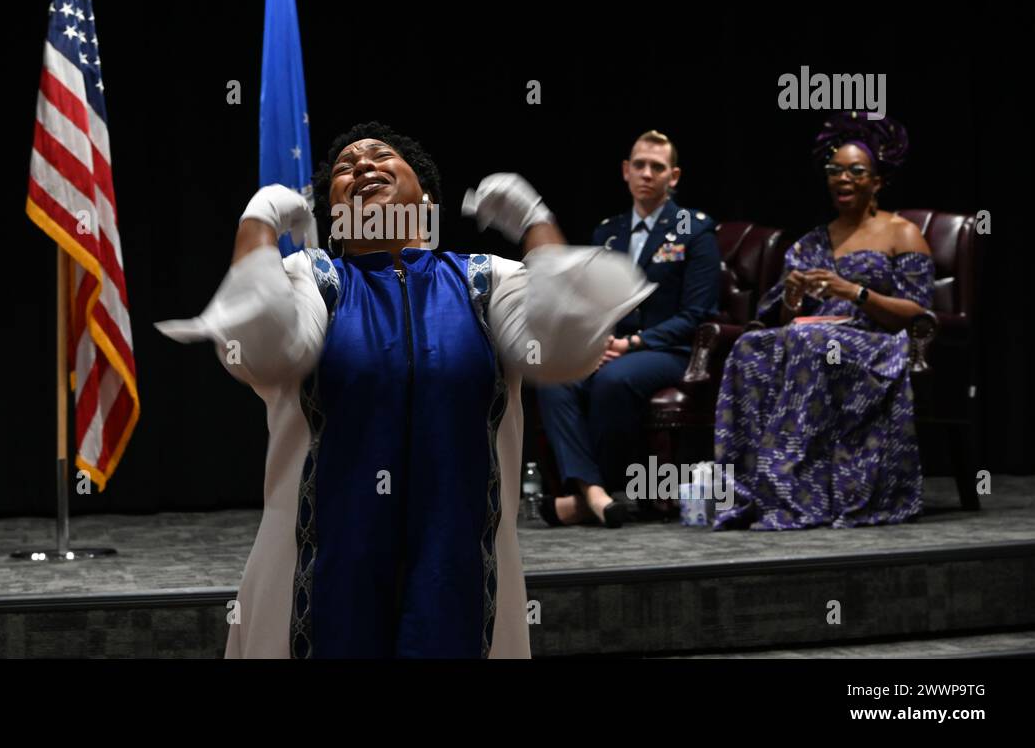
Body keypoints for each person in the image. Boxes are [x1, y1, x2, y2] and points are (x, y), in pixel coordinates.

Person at [156, 122, 654, 658]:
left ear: (428, 199)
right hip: (313, 583)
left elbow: (563, 345)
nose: (362, 166)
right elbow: (260, 349)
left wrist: (537, 224)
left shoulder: (486, 282)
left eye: (381, 156)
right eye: (345, 168)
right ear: (335, 216)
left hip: (465, 582)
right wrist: (258, 220)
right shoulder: (309, 278)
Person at [714, 112, 934, 530]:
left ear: (877, 181)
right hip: (815, 337)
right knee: (749, 347)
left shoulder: (901, 233)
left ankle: (796, 491)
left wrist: (855, 292)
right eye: (835, 170)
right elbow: (785, 319)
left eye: (856, 171)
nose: (843, 178)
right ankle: (751, 491)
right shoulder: (810, 243)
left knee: (810, 341)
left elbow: (917, 312)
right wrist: (793, 296)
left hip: (876, 342)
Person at [536, 130, 719, 527]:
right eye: (639, 165)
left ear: (674, 176)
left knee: (613, 380)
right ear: (625, 171)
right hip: (614, 346)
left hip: (669, 352)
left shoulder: (695, 229)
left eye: (657, 167)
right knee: (554, 379)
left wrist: (633, 343)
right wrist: (594, 343)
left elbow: (696, 314)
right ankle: (594, 494)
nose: (647, 173)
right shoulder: (608, 232)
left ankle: (586, 498)